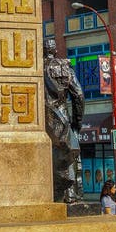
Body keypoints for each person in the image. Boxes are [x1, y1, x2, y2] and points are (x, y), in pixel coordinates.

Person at [43, 38, 85, 203]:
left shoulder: (35, 68)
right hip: (61, 116)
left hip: (41, 120)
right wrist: (77, 122)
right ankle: (71, 196)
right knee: (69, 155)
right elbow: (79, 96)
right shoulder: (65, 68)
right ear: (55, 50)